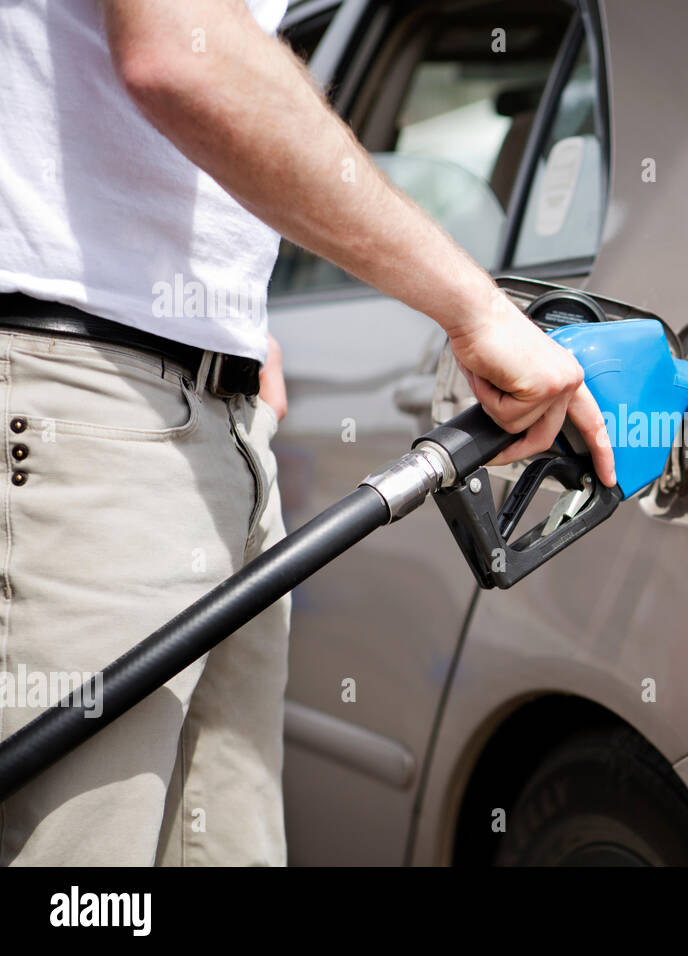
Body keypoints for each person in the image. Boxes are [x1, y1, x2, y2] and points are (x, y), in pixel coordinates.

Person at [0, 0, 615, 866]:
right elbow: (183, 50)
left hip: (207, 406)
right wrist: (475, 306)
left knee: (226, 844)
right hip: (91, 395)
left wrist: (225, 318)